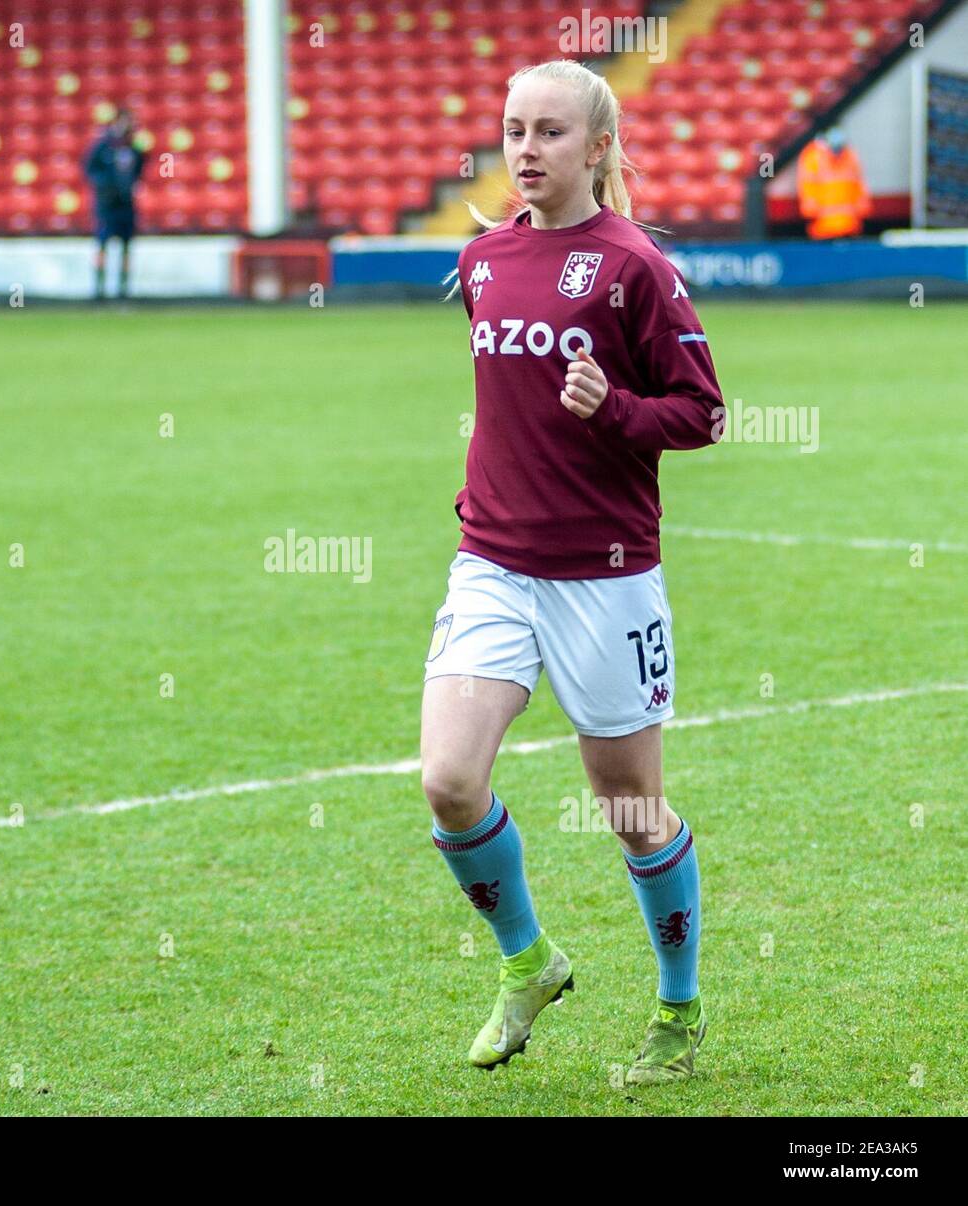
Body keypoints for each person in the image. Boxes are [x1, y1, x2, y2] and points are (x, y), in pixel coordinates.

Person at [427, 59, 725, 1084]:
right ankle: (529, 961)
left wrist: (617, 412)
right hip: (494, 566)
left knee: (632, 807)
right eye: (513, 129)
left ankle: (678, 1011)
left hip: (605, 578)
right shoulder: (479, 263)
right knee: (449, 781)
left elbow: (702, 412)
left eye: (549, 132)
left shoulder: (634, 266)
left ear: (595, 148)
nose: (524, 150)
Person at [83, 109, 145, 299]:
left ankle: (123, 289)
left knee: (126, 247)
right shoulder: (102, 147)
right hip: (106, 205)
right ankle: (99, 289)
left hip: (126, 204)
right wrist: (105, 186)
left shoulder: (134, 148)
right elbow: (89, 169)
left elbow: (140, 170)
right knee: (102, 245)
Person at [797, 125, 871, 239]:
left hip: (850, 225)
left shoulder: (850, 156)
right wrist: (810, 210)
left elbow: (859, 184)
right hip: (822, 226)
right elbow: (808, 186)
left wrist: (862, 208)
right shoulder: (814, 157)